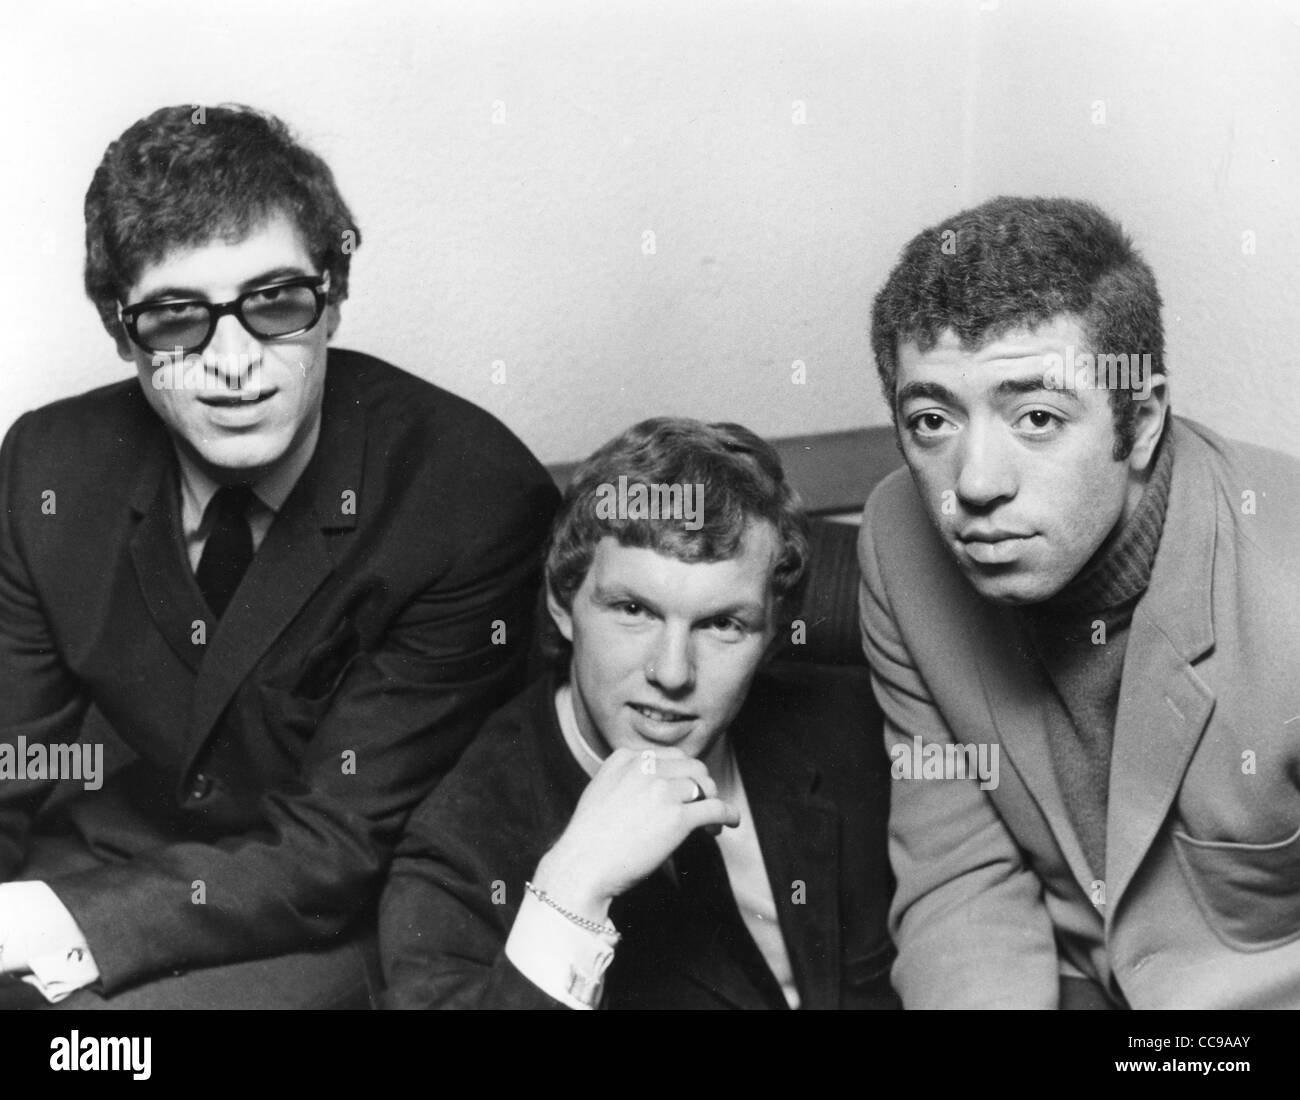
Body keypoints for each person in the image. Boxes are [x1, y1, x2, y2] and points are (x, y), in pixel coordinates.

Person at [0, 104, 558, 1008]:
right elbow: (10, 761)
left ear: (332, 297)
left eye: (275, 303)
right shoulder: (47, 468)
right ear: (119, 329)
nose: (234, 363)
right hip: (110, 860)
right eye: (178, 318)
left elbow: (333, 849)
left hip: (338, 915)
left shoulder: (470, 497)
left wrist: (55, 924)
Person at [858, 195, 1300, 1009]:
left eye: (1036, 417)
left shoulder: (1289, 578)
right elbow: (962, 880)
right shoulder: (897, 542)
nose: (977, 484)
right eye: (931, 420)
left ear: (1141, 422)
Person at [381, 417, 899, 1009]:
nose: (672, 673)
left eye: (722, 624)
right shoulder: (459, 848)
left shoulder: (857, 733)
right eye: (634, 609)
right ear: (562, 603)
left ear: (774, 634)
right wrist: (573, 890)